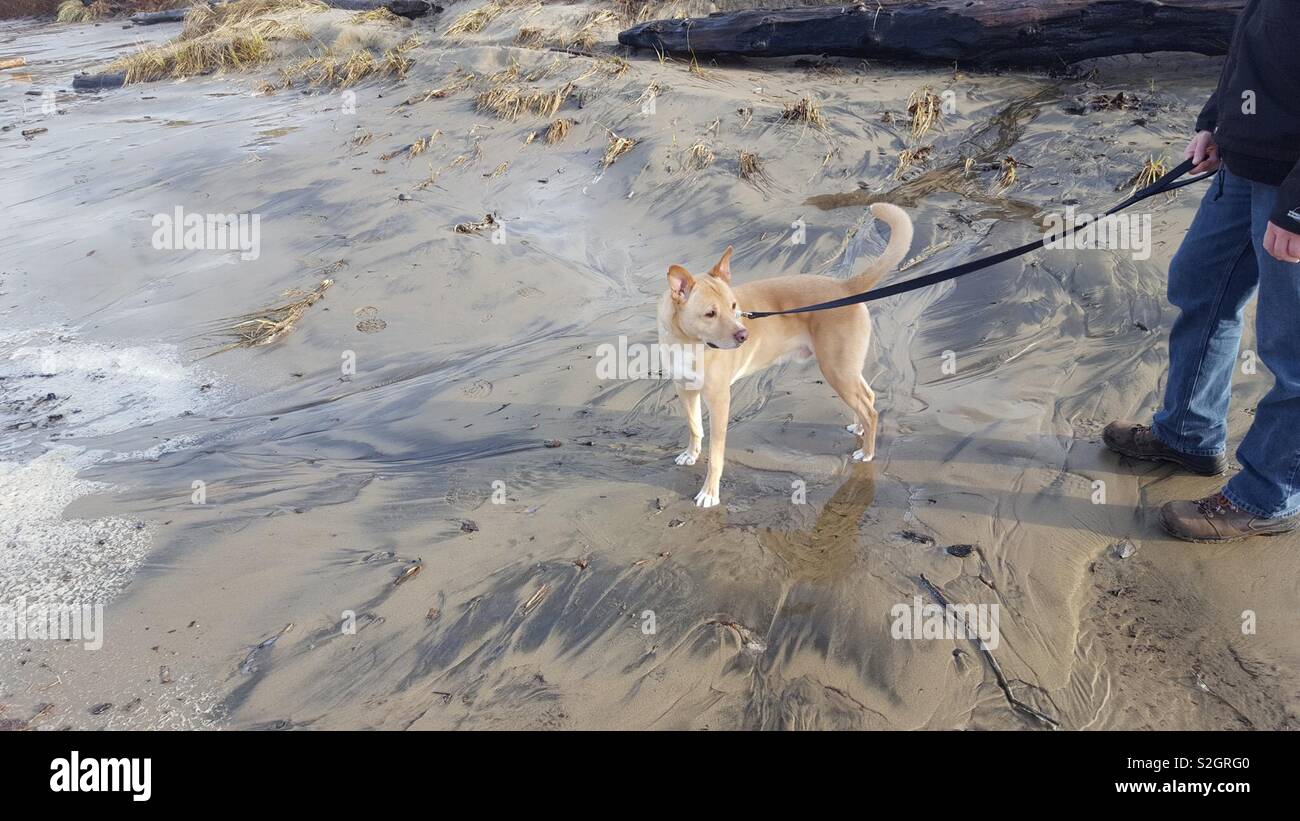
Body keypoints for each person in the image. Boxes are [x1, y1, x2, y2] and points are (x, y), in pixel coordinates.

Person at [1102, 0, 1300, 542]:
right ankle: (1187, 435)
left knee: (1292, 351)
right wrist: (1215, 122)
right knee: (1199, 287)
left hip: (1291, 184)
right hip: (1245, 165)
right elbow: (1253, 52)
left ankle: (1267, 497)